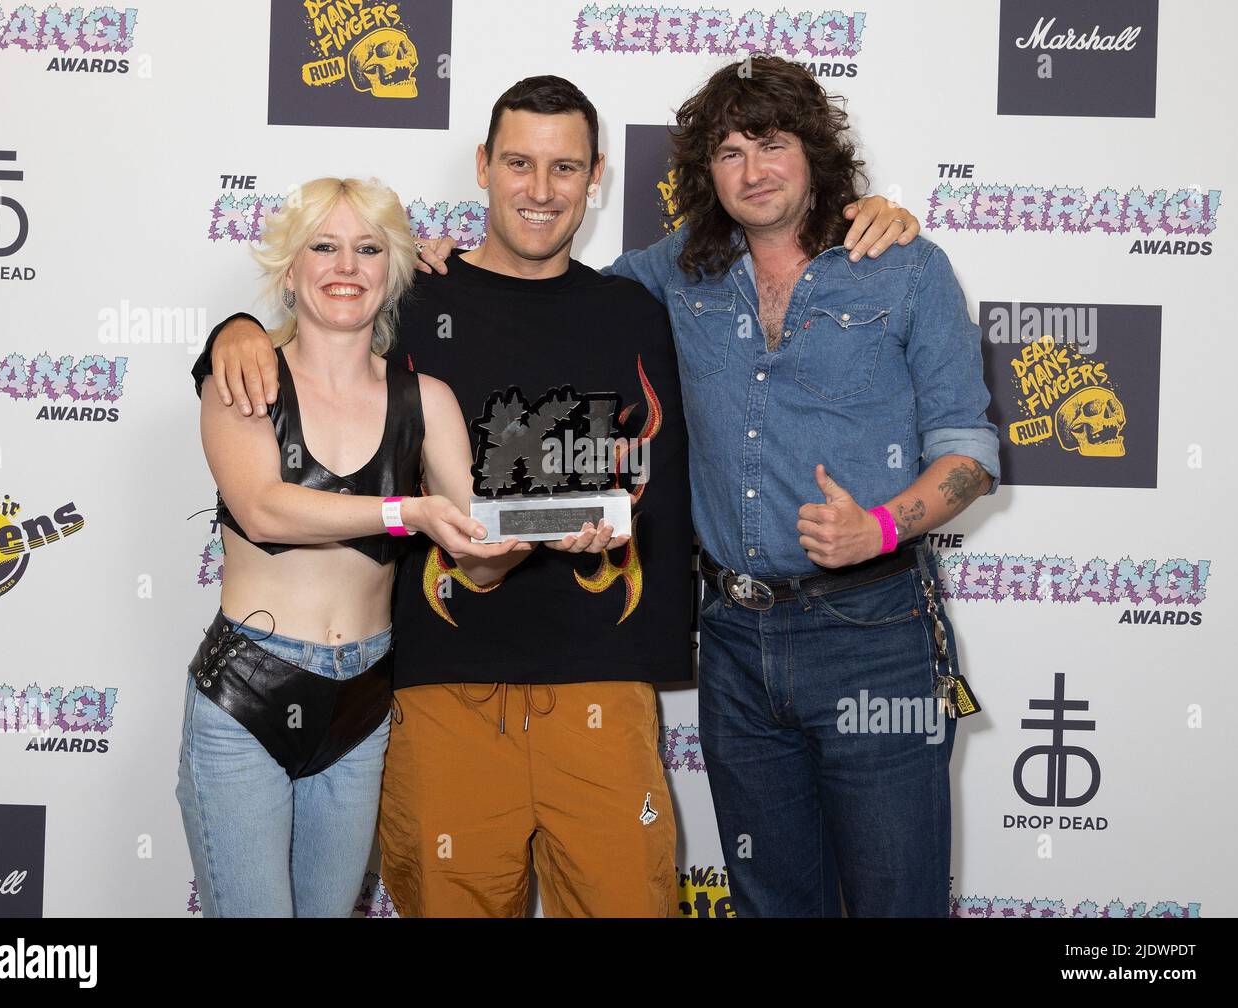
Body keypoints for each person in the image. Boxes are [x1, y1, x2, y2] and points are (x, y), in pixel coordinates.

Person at [196, 76, 919, 917]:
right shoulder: (407, 297)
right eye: (519, 163)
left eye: (565, 167)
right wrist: (233, 332)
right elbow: (311, 333)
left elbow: (770, 261)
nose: (540, 189)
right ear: (482, 166)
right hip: (441, 687)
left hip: (603, 683)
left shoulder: (647, 301)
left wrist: (860, 217)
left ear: (595, 176)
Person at [600, 54, 1000, 916]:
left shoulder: (906, 267)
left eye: (772, 144)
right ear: (706, 173)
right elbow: (549, 302)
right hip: (734, 641)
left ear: (814, 152)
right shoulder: (676, 272)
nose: (754, 171)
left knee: (898, 899)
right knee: (772, 902)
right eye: (730, 152)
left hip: (874, 634)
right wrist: (456, 263)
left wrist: (881, 527)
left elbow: (969, 454)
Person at [176, 176, 522, 918]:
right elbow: (264, 511)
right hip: (249, 694)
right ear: (289, 270)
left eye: (368, 249)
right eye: (323, 247)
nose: (345, 267)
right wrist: (409, 511)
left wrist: (546, 536)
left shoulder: (427, 400)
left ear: (393, 271)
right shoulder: (244, 374)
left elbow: (478, 556)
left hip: (361, 706)